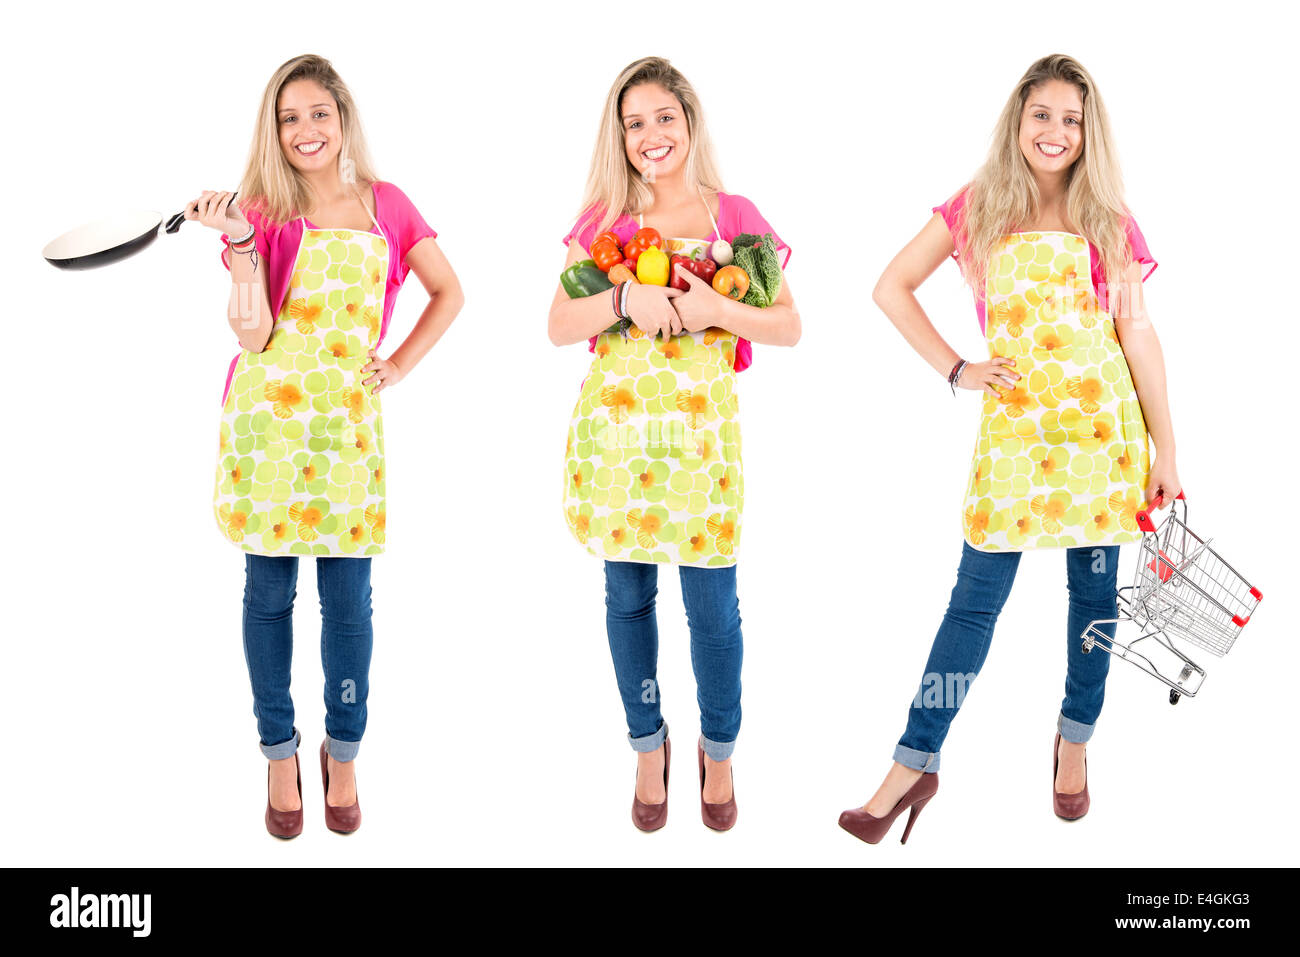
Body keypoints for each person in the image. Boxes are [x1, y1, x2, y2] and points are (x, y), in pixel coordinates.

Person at [839, 53, 1180, 844]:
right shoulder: (979, 206)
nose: (1056, 132)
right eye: (1042, 115)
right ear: (1018, 120)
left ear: (1089, 131)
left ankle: (1074, 739)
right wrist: (957, 368)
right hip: (1017, 439)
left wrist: (1167, 450)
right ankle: (914, 760)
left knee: (1094, 602)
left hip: (1100, 439)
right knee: (972, 603)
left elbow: (1137, 333)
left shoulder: (1107, 219)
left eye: (1072, 119)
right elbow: (890, 286)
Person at [189, 54, 463, 838]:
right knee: (268, 594)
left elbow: (449, 291)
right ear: (272, 131)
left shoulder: (387, 204)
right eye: (289, 117)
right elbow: (253, 333)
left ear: (342, 117)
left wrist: (399, 364)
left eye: (318, 113)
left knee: (348, 603)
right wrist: (243, 241)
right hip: (269, 428)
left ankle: (342, 751)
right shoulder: (260, 210)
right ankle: (279, 751)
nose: (305, 129)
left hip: (345, 429)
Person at [549, 56, 800, 832]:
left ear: (689, 121)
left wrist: (713, 312)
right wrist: (625, 294)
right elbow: (558, 323)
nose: (651, 135)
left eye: (664, 117)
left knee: (713, 612)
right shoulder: (606, 220)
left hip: (700, 448)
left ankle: (717, 750)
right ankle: (647, 744)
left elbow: (789, 324)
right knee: (627, 600)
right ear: (619, 138)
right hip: (620, 441)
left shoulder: (736, 219)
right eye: (634, 123)